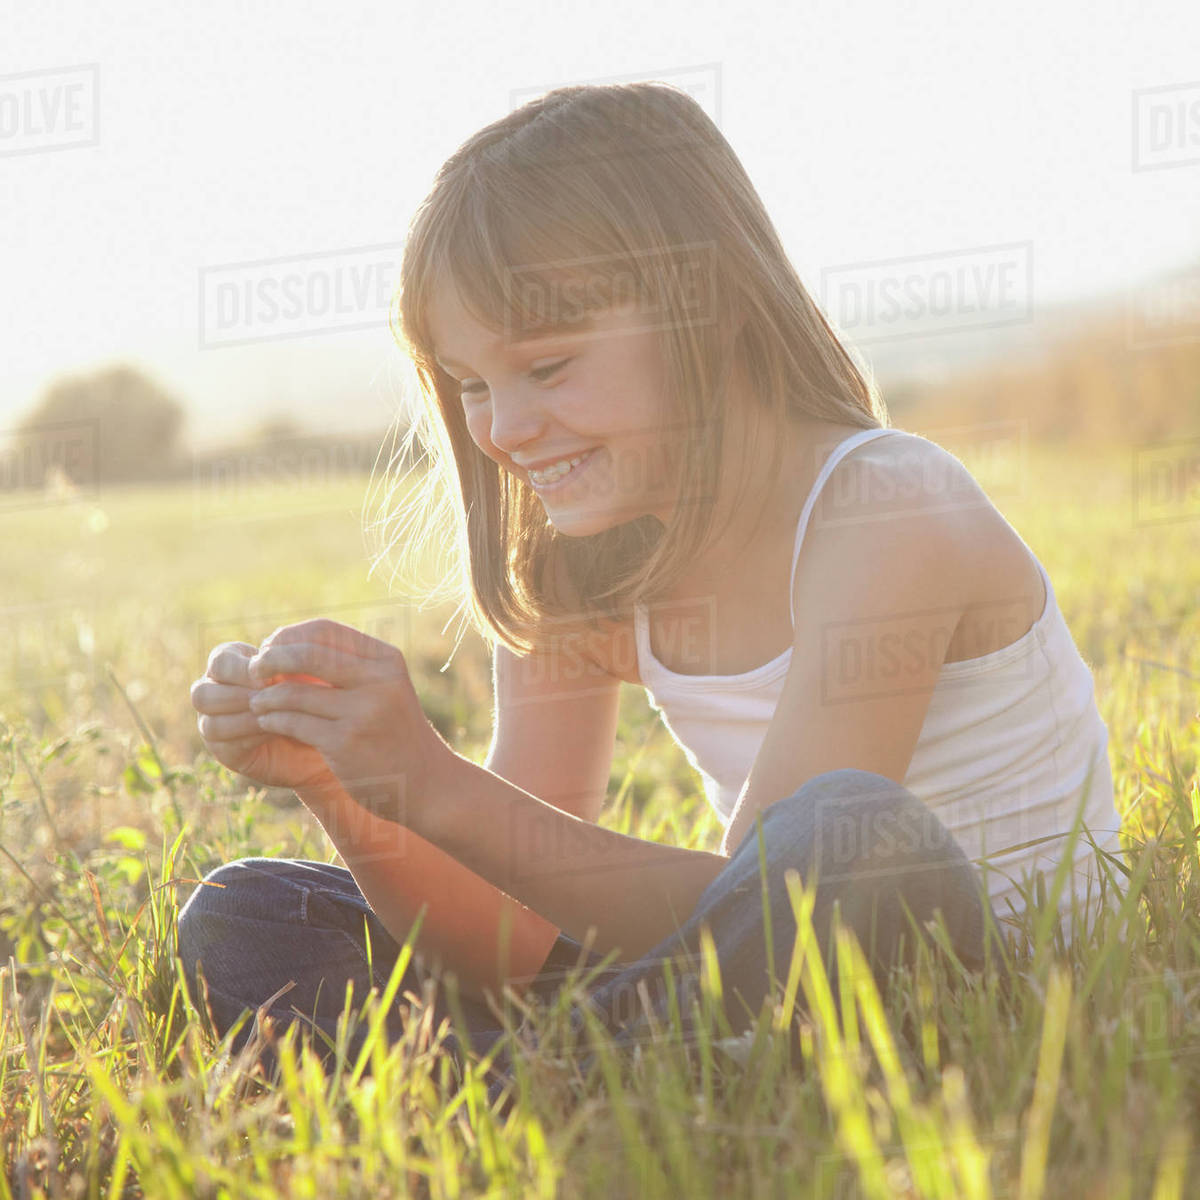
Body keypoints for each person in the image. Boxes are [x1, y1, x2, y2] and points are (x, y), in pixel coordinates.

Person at [177, 82, 1124, 1099]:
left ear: (705, 310)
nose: (500, 428)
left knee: (842, 829)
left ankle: (548, 1078)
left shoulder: (883, 508)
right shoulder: (581, 561)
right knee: (252, 917)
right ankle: (607, 1066)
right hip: (736, 976)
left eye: (547, 365)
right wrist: (358, 793)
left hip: (961, 968)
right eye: (473, 385)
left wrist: (438, 781)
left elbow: (787, 892)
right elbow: (512, 932)